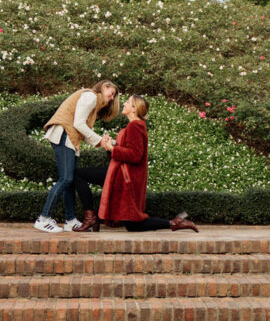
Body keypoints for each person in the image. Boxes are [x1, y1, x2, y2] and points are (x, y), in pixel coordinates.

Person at [73, 95, 198, 233]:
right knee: (133, 225)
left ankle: (91, 217)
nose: (124, 104)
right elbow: (128, 151)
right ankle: (175, 223)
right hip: (124, 175)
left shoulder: (135, 126)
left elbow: (135, 155)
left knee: (78, 175)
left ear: (134, 108)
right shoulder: (135, 126)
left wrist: (112, 148)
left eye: (128, 102)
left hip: (126, 178)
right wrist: (111, 145)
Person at [34, 80, 120, 233]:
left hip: (70, 137)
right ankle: (43, 218)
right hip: (64, 134)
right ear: (103, 87)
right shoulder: (91, 97)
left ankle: (70, 220)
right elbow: (79, 124)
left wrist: (108, 142)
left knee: (71, 180)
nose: (111, 97)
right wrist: (100, 140)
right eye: (111, 92)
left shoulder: (93, 102)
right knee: (66, 179)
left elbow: (82, 130)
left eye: (113, 95)